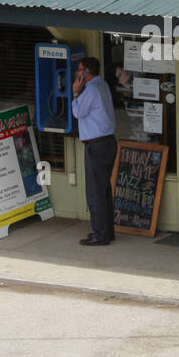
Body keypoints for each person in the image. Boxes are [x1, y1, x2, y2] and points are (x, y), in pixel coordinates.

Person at [72, 56, 117, 247]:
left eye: (79, 71)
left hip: (97, 145)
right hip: (107, 142)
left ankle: (101, 234)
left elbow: (77, 113)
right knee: (104, 189)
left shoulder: (89, 90)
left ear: (86, 73)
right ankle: (106, 230)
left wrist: (75, 93)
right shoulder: (102, 85)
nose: (76, 74)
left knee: (95, 192)